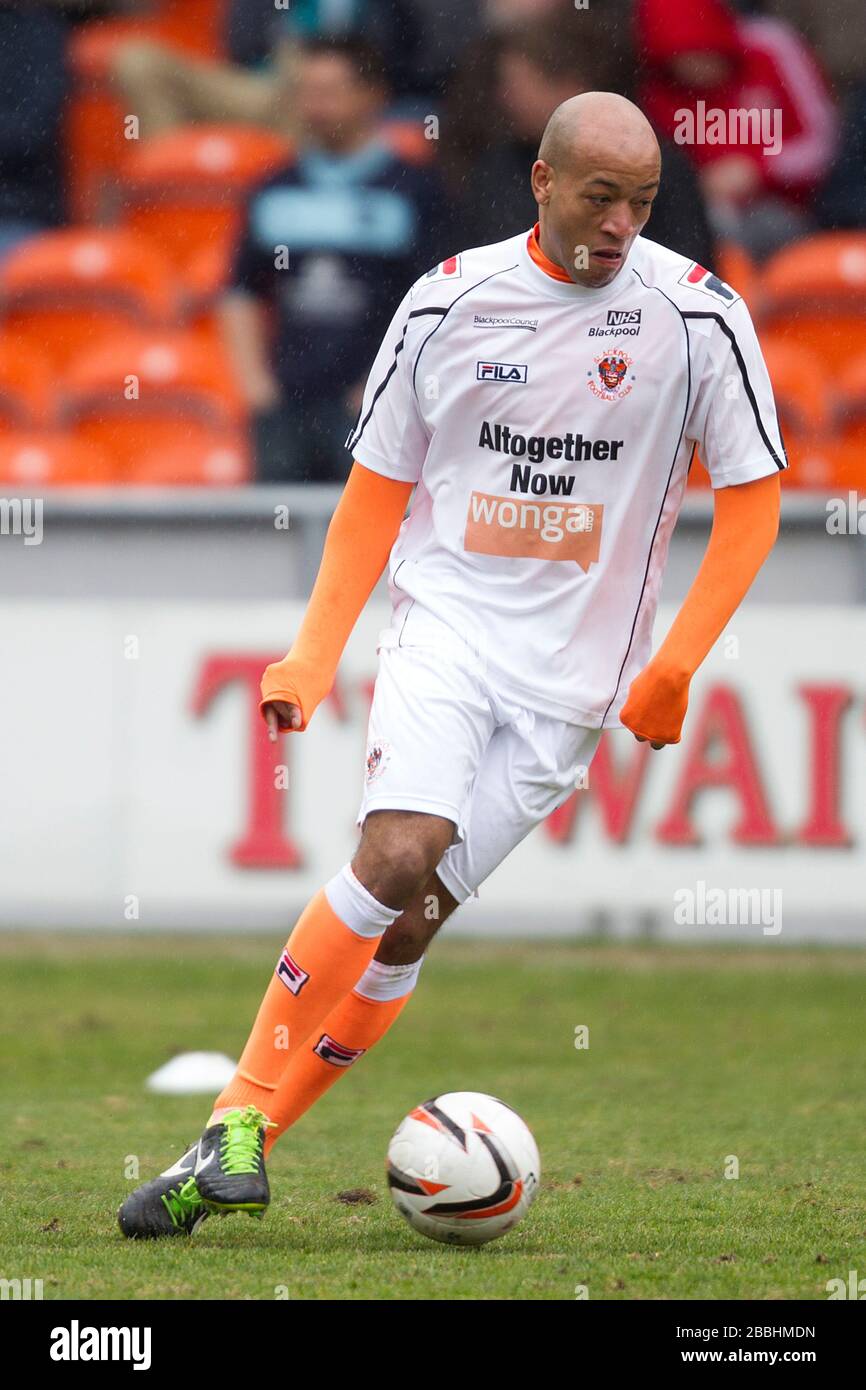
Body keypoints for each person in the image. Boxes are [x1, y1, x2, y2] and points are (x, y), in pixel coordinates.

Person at [119, 91, 785, 1237]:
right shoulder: (446, 304)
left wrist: (674, 665)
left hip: (570, 685)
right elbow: (376, 492)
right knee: (397, 848)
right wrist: (314, 650)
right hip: (450, 627)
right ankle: (236, 1113)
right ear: (538, 180)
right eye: (597, 196)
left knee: (414, 917)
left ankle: (227, 1158)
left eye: (640, 201)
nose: (620, 222)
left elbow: (753, 504)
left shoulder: (698, 318)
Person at [219, 35, 452, 483]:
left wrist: (381, 385)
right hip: (285, 408)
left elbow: (437, 303)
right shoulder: (273, 189)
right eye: (306, 92)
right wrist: (256, 386)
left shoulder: (414, 191)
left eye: (330, 92)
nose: (315, 106)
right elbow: (240, 290)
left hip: (375, 407)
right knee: (280, 542)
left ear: (372, 95)